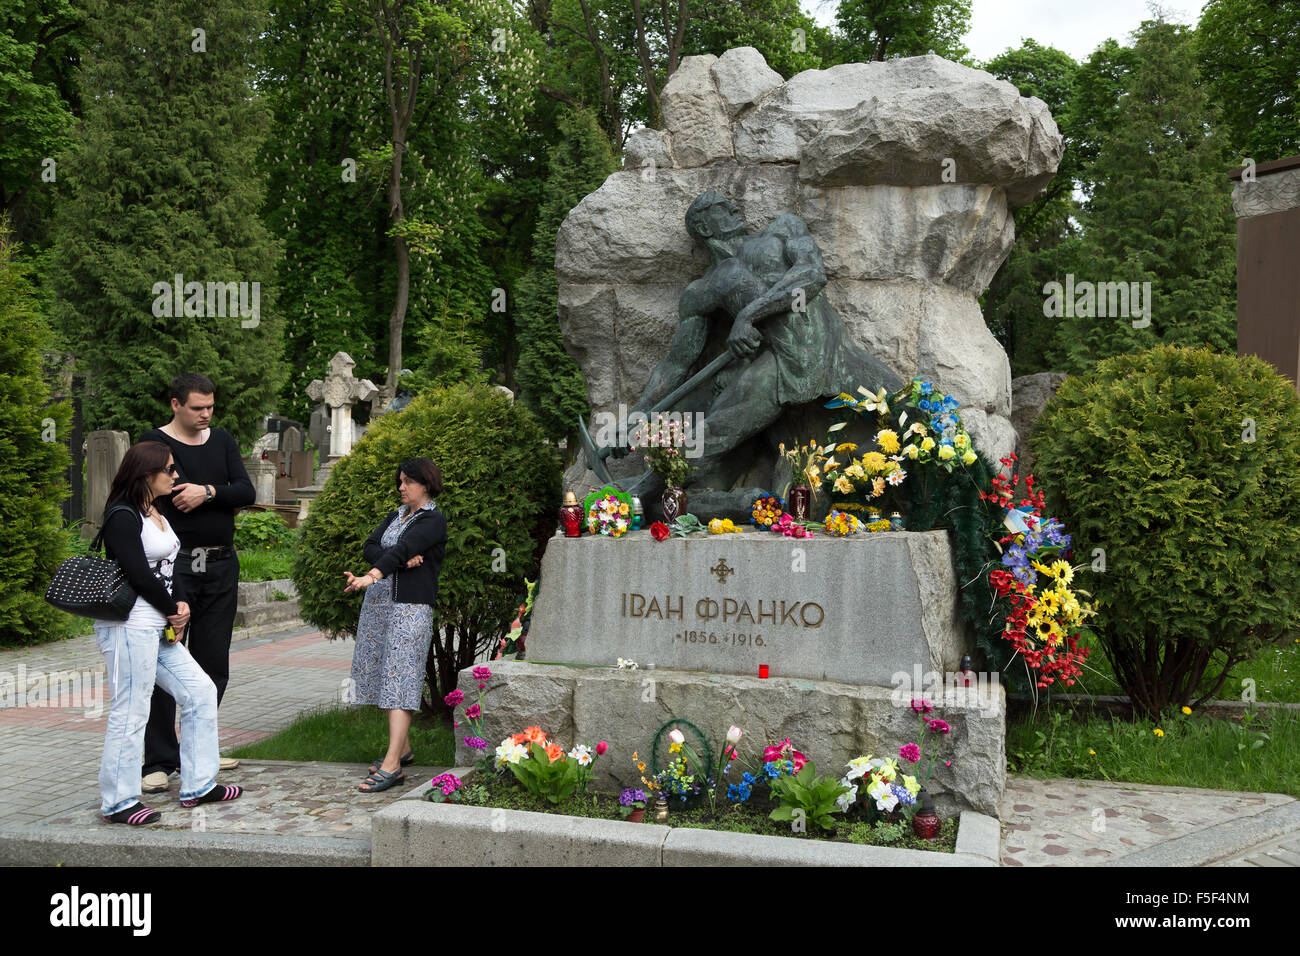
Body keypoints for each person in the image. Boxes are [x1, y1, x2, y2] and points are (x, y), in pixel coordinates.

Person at [611, 190, 903, 507]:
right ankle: (637, 495)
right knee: (713, 434)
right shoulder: (700, 292)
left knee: (914, 412)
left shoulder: (783, 229)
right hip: (778, 367)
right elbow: (676, 365)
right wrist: (637, 416)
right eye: (721, 206)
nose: (734, 206)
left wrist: (748, 316)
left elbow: (812, 274)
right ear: (705, 227)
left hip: (830, 352)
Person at [93, 441, 242, 824]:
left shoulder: (154, 511)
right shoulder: (122, 516)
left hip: (158, 626)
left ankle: (199, 784)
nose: (176, 476)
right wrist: (172, 608)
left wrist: (178, 604)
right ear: (147, 474)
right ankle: (119, 801)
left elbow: (168, 566)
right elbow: (138, 574)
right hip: (129, 627)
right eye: (170, 470)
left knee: (200, 691)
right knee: (131, 710)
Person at [138, 372, 255, 794]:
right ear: (175, 405)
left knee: (213, 663)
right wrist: (178, 499)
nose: (206, 415)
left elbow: (245, 488)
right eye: (197, 408)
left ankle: (199, 748)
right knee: (167, 662)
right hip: (176, 567)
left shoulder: (222, 440)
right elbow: (144, 493)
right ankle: (160, 760)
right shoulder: (154, 443)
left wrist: (207, 492)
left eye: (210, 407)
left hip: (221, 566)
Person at [343, 458, 449, 792]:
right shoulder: (396, 515)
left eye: (407, 482)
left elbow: (399, 547)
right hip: (380, 608)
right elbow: (370, 547)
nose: (401, 487)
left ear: (426, 484)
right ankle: (403, 749)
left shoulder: (433, 520)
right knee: (381, 675)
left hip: (409, 609)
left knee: (400, 678)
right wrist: (401, 558)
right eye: (400, 481)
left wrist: (373, 574)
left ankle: (392, 766)